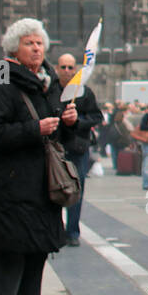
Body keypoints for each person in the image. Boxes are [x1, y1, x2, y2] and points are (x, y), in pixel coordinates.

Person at [0, 19, 77, 295]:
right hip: (11, 185)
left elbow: (58, 134)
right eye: (29, 43)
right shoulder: (5, 81)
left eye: (39, 43)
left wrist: (68, 123)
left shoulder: (48, 83)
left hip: (41, 185)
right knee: (11, 250)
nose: (36, 48)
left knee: (37, 250)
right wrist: (34, 130)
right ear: (14, 50)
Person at [54, 54, 102, 246]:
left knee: (76, 190)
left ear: (75, 70)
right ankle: (57, 230)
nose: (67, 71)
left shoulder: (85, 92)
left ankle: (72, 231)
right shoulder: (51, 91)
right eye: (63, 67)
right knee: (54, 189)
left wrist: (78, 120)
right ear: (57, 68)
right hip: (56, 148)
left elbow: (96, 117)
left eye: (70, 67)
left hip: (77, 148)